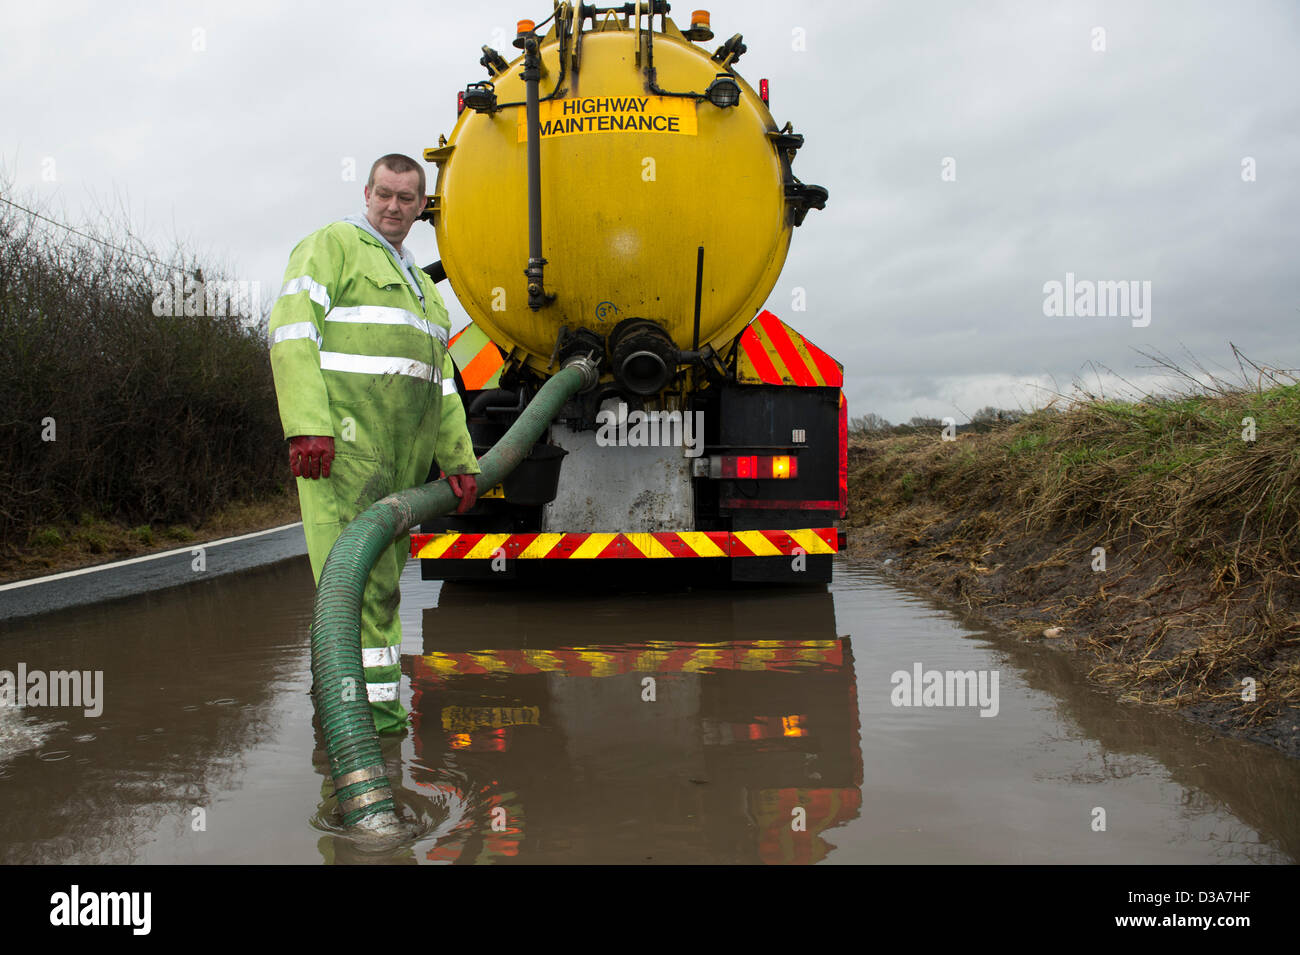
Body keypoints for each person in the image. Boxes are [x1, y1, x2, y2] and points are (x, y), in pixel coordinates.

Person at [268, 153, 479, 735]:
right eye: (384, 194)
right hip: (340, 455)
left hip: (399, 470)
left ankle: (375, 723)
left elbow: (442, 389)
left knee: (381, 593)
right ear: (367, 194)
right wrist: (308, 424)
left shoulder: (426, 292)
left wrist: (460, 463)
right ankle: (356, 730)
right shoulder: (332, 246)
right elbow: (291, 332)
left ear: (421, 207)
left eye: (406, 198)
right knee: (348, 592)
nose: (393, 206)